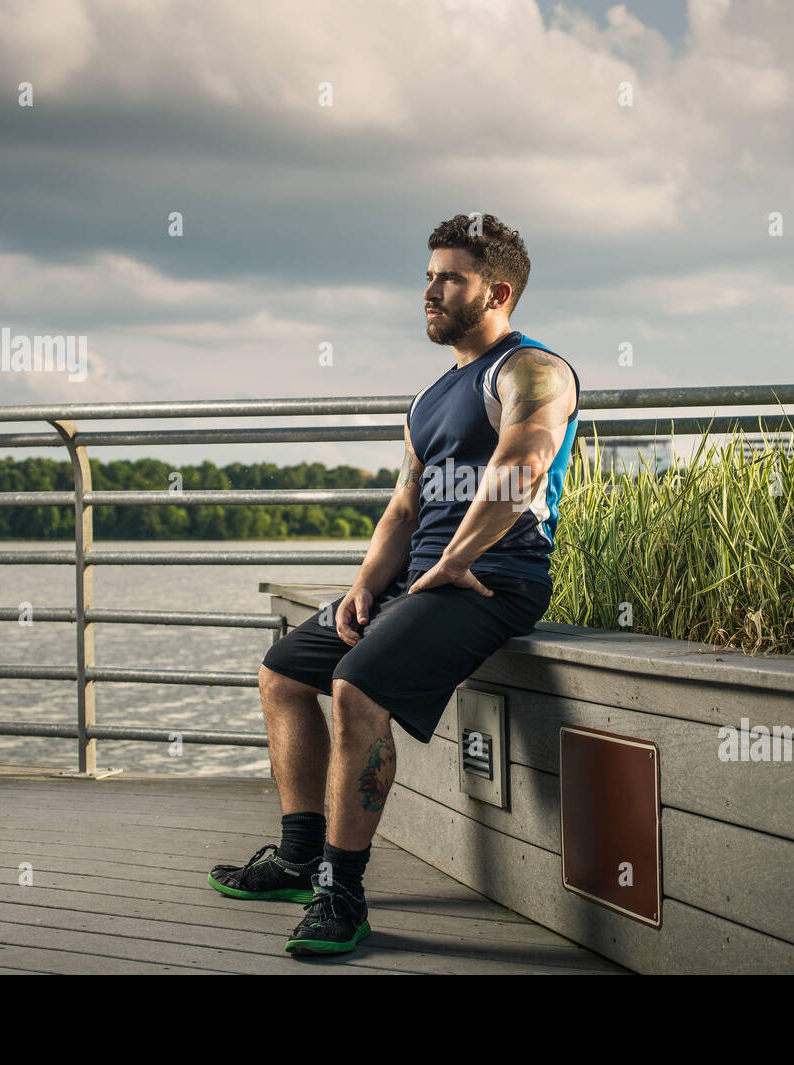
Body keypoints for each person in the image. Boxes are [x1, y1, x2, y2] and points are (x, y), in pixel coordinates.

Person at [207, 213, 580, 956]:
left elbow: (524, 463)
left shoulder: (531, 370)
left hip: (493, 580)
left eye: (449, 277)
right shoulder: (429, 399)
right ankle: (298, 854)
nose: (430, 290)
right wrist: (364, 585)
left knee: (356, 687)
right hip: (425, 581)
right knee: (283, 672)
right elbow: (405, 506)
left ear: (498, 290)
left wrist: (454, 560)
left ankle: (342, 893)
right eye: (428, 275)